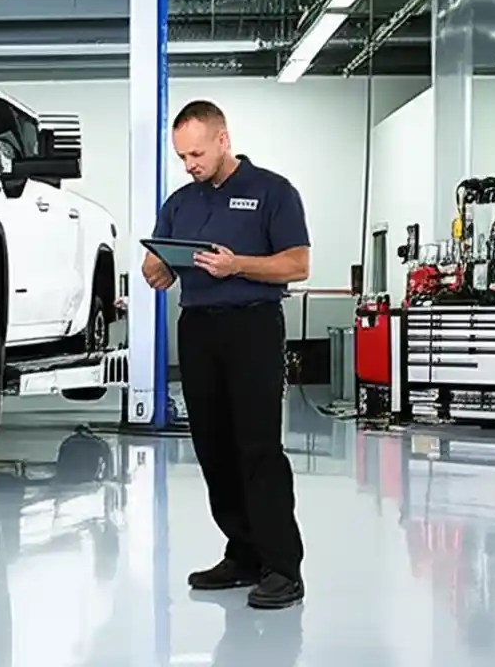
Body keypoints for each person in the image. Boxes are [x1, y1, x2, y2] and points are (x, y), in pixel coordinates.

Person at [142, 100, 309, 610]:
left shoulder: (273, 191)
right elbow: (156, 263)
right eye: (182, 156)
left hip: (253, 326)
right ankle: (242, 554)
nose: (189, 163)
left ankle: (283, 567)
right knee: (212, 445)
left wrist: (238, 266)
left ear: (222, 139)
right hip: (197, 328)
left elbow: (297, 264)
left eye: (195, 152)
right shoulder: (180, 201)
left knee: (257, 447)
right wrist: (157, 269)